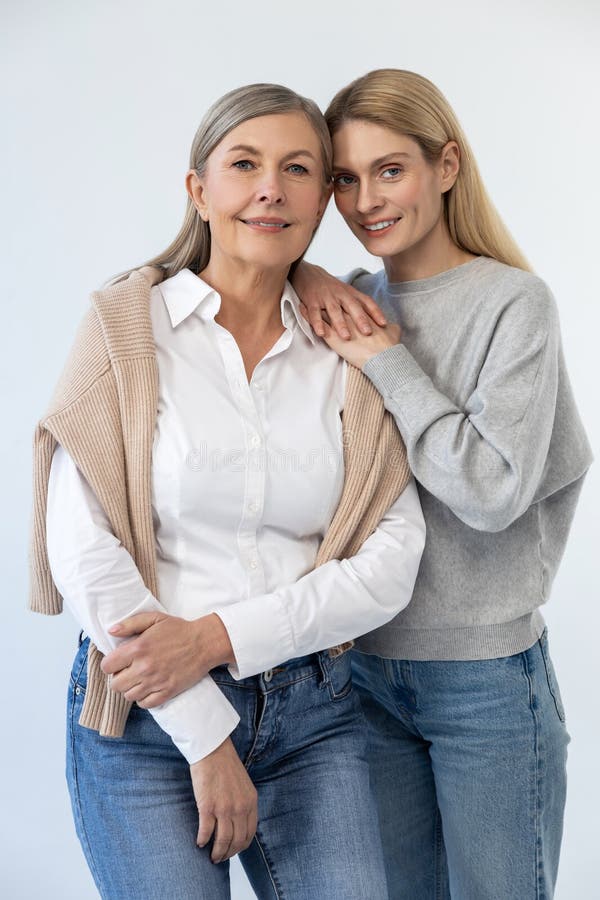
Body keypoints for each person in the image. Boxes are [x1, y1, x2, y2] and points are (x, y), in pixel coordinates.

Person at [29, 83, 426, 900]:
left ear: (321, 200)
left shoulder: (348, 346)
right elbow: (82, 548)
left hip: (315, 714)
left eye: (298, 169)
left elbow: (392, 558)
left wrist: (215, 638)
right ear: (198, 189)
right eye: (244, 164)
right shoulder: (125, 329)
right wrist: (207, 737)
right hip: (144, 716)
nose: (270, 187)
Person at [291, 69, 593, 900]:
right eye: (345, 179)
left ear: (447, 165)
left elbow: (492, 492)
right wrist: (307, 273)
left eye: (391, 170)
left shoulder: (513, 304)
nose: (364, 201)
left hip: (484, 686)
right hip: (360, 671)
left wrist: (387, 358)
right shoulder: (348, 299)